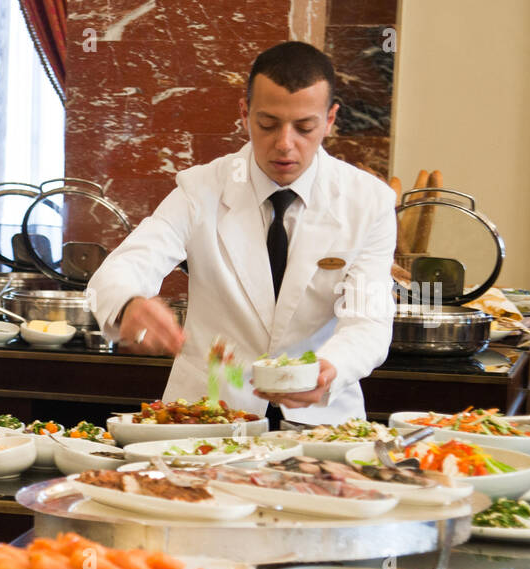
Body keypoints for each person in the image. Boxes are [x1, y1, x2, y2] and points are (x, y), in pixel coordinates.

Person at [86, 41, 397, 425]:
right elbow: (124, 266)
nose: (285, 143)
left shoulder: (370, 202)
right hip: (206, 415)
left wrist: (331, 369)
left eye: (304, 127)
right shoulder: (201, 189)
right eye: (267, 124)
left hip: (320, 420)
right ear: (244, 113)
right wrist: (129, 303)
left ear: (330, 119)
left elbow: (369, 320)